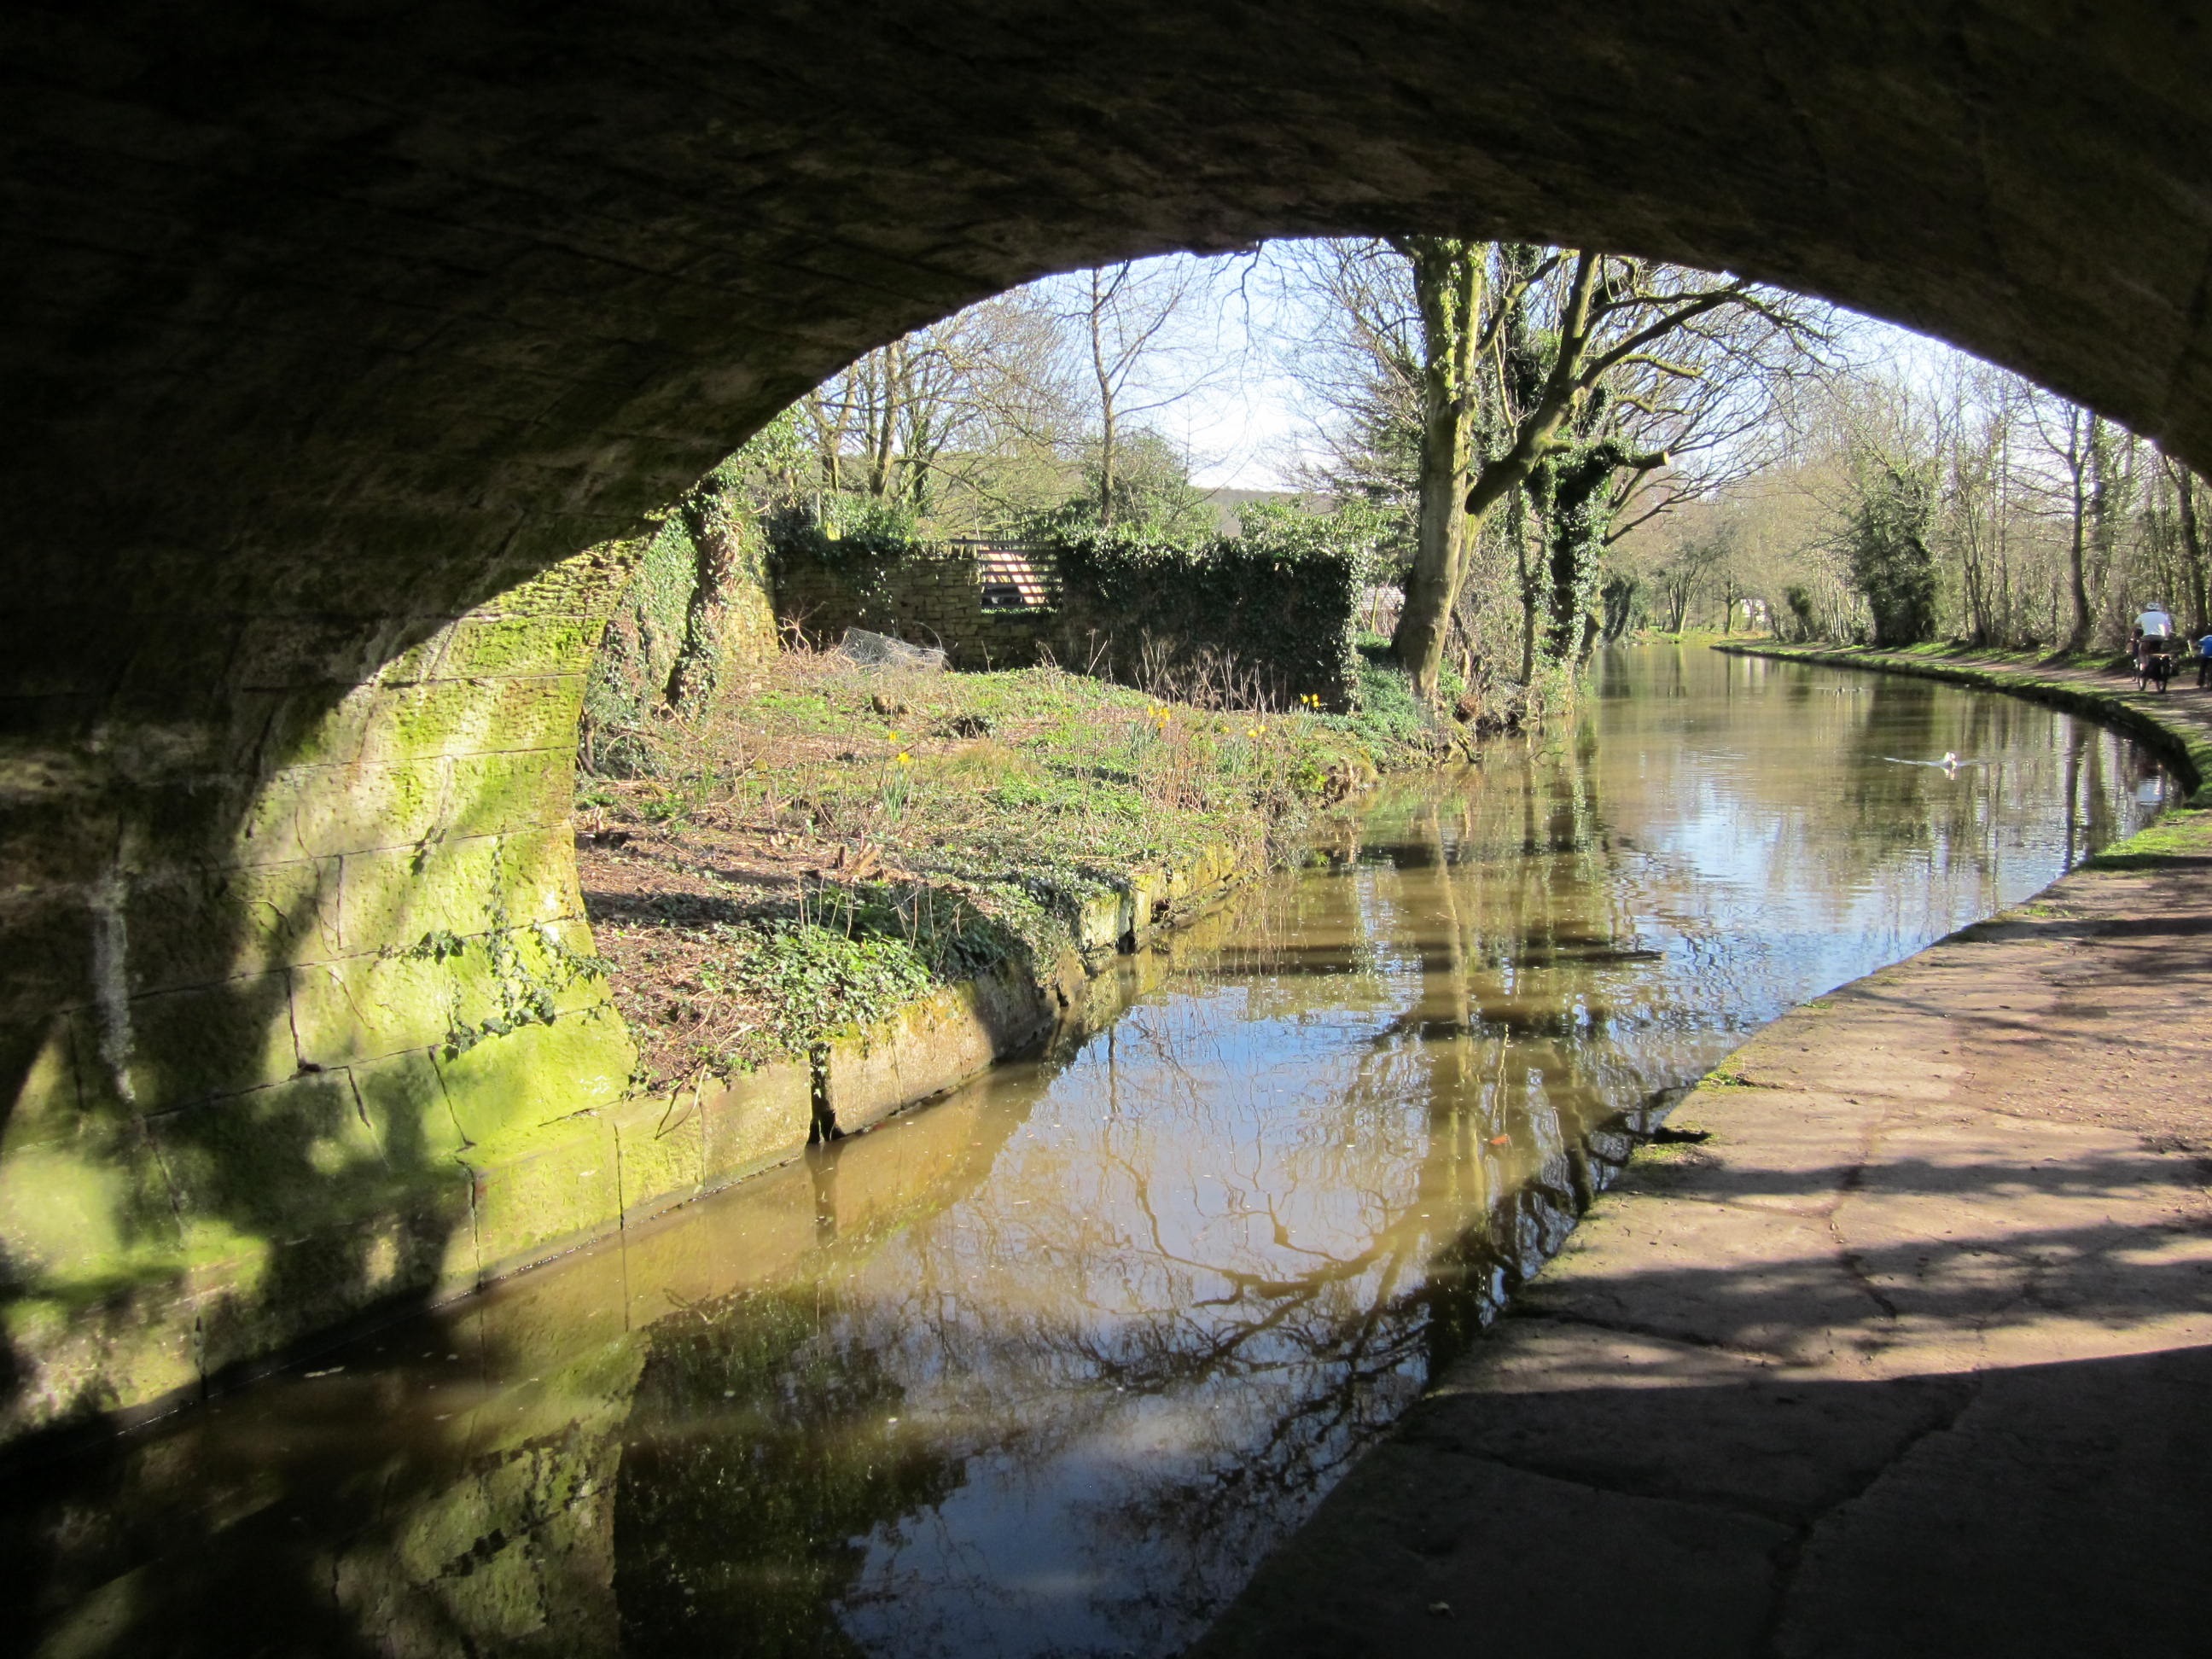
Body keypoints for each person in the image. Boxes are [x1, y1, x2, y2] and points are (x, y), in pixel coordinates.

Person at [2198, 626, 2212, 690]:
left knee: (2202, 668)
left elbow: (2199, 643)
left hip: (2205, 656)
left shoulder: (2205, 638)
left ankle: (2201, 682)